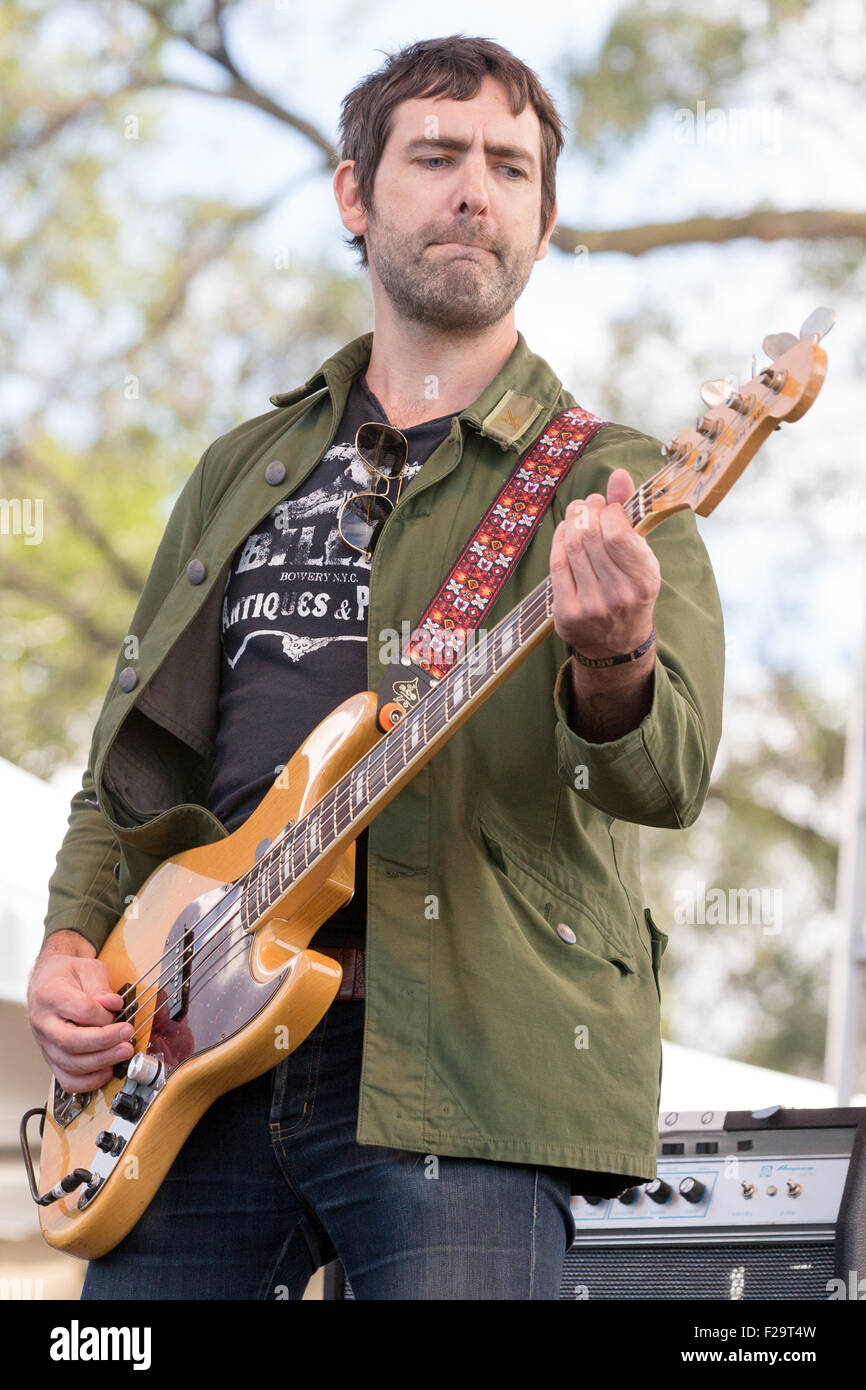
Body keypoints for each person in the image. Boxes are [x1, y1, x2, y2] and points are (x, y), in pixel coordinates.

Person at [27, 35, 724, 1300]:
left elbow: (669, 771)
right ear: (355, 196)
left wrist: (614, 649)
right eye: (437, 155)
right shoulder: (243, 466)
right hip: (183, 1051)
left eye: (509, 168)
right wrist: (72, 947)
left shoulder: (607, 477)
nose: (475, 190)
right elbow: (128, 768)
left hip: (463, 1067)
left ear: (543, 219)